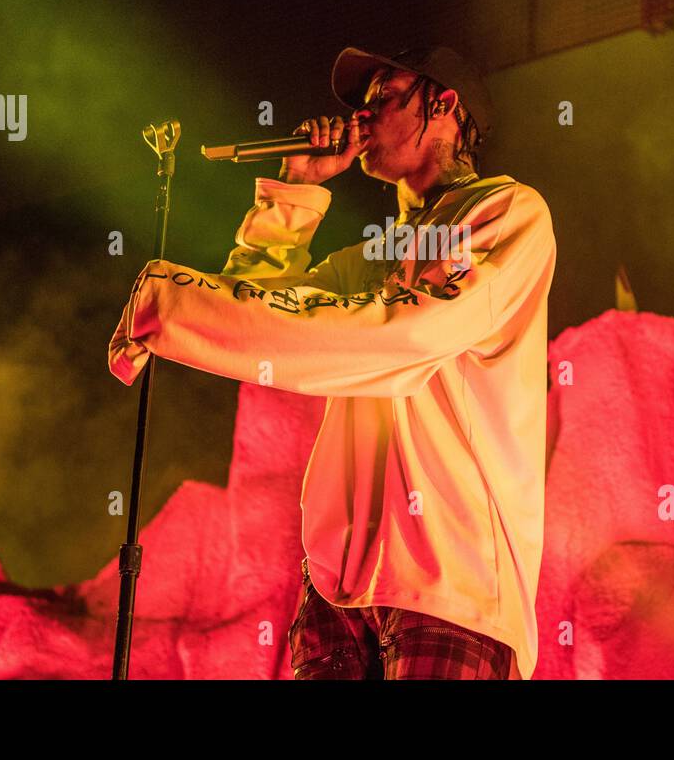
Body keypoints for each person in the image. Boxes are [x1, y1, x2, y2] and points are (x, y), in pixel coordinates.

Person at [107, 46, 557, 679]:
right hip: (337, 588)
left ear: (444, 103)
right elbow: (262, 314)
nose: (361, 115)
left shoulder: (505, 214)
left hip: (449, 579)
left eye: (382, 95)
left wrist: (179, 308)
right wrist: (293, 194)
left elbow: (405, 340)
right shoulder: (368, 260)